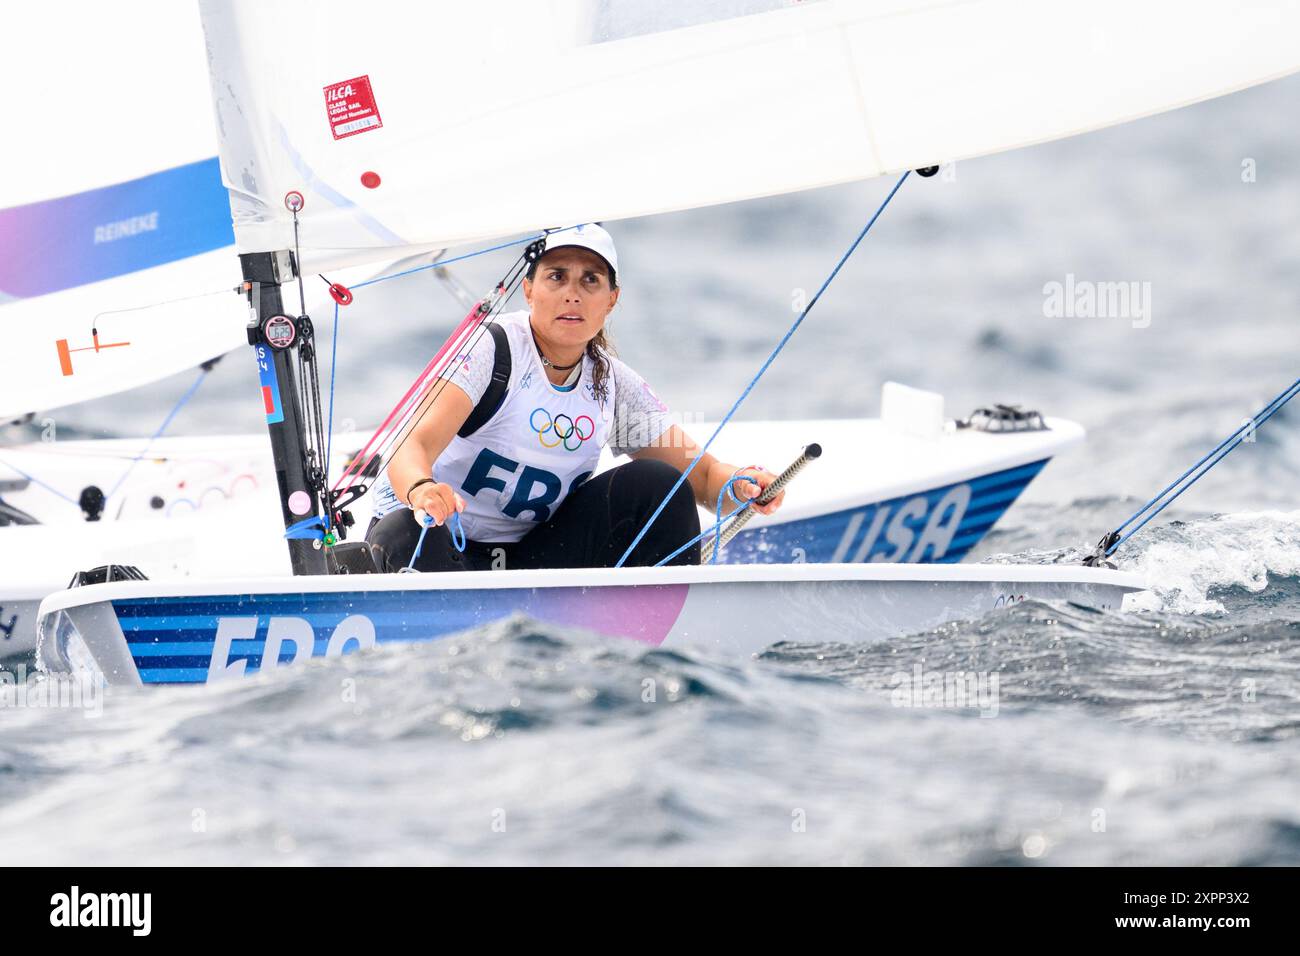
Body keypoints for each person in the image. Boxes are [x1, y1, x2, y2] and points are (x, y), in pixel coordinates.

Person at [366, 224, 785, 572]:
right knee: (407, 531)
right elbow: (409, 445)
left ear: (611, 300)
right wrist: (421, 488)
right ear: (529, 290)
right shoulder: (489, 351)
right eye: (557, 277)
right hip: (439, 544)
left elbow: (705, 479)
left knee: (658, 484)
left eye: (590, 280)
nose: (573, 293)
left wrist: (742, 485)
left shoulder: (614, 384)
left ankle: (658, 638)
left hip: (528, 560)